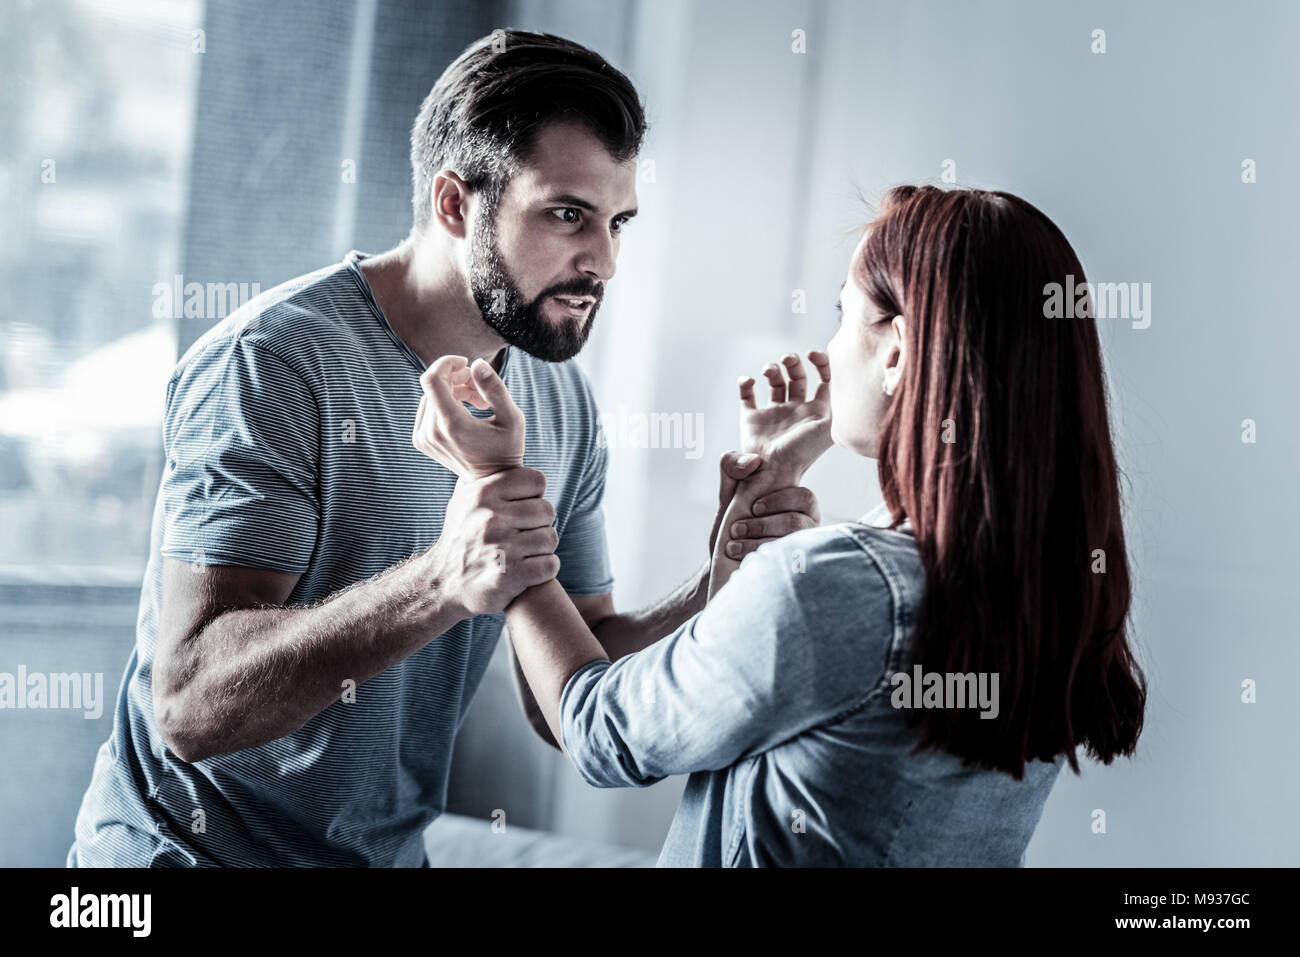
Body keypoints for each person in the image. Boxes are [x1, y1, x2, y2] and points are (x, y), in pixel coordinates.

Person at [66, 30, 815, 868]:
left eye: (617, 222)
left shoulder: (562, 400)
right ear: (456, 204)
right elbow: (191, 703)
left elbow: (570, 688)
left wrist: (716, 580)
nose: (602, 259)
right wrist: (443, 578)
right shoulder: (272, 362)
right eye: (566, 213)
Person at [415, 184, 1149, 866]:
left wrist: (496, 499)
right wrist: (768, 482)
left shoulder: (840, 586)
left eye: (842, 315)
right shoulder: (1046, 588)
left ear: (896, 351)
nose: (829, 348)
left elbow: (600, 730)